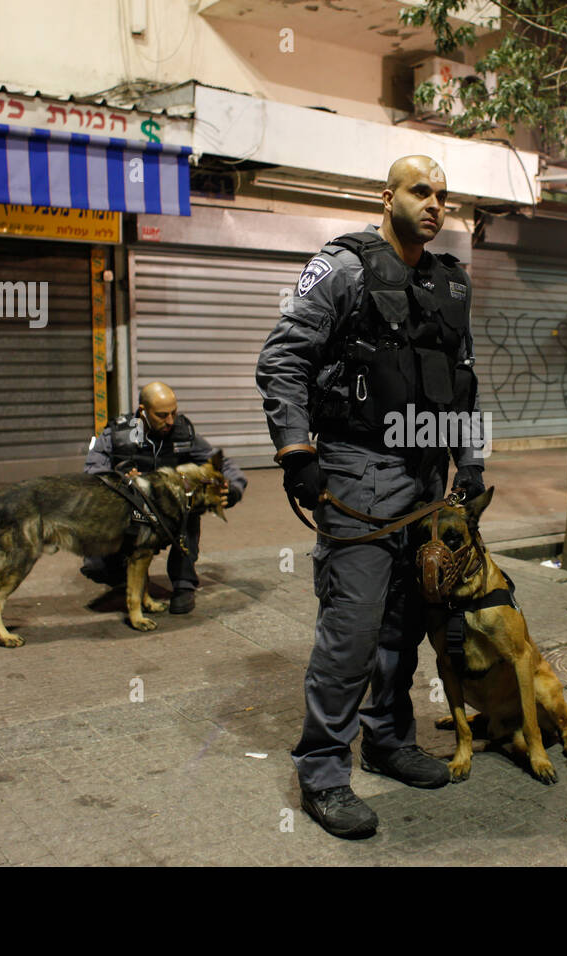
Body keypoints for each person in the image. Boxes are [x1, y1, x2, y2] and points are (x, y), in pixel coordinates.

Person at [255, 155, 485, 840]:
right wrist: (296, 452)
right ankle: (323, 771)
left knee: (404, 626)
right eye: (421, 191)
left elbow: (465, 378)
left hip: (425, 480)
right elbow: (282, 359)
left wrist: (469, 464)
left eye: (444, 196)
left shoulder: (448, 283)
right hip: (357, 470)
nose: (435, 204)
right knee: (351, 632)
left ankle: (388, 739)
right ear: (387, 197)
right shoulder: (343, 268)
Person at [82, 381, 246, 614]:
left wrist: (234, 488)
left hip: (169, 516)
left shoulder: (182, 432)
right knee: (96, 567)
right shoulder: (118, 434)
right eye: (162, 415)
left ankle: (183, 583)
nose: (170, 421)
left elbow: (224, 463)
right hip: (130, 517)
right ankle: (124, 576)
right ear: (142, 412)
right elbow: (91, 473)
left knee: (191, 509)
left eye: (174, 413)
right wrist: (118, 478)